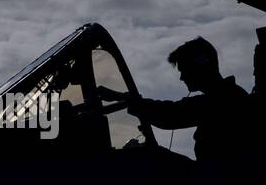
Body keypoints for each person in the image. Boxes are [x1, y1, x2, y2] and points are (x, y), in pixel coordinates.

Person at [103, 37, 252, 162]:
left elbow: (171, 114)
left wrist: (124, 98)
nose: (182, 78)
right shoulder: (225, 96)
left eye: (184, 70)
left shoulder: (224, 99)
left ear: (200, 67)